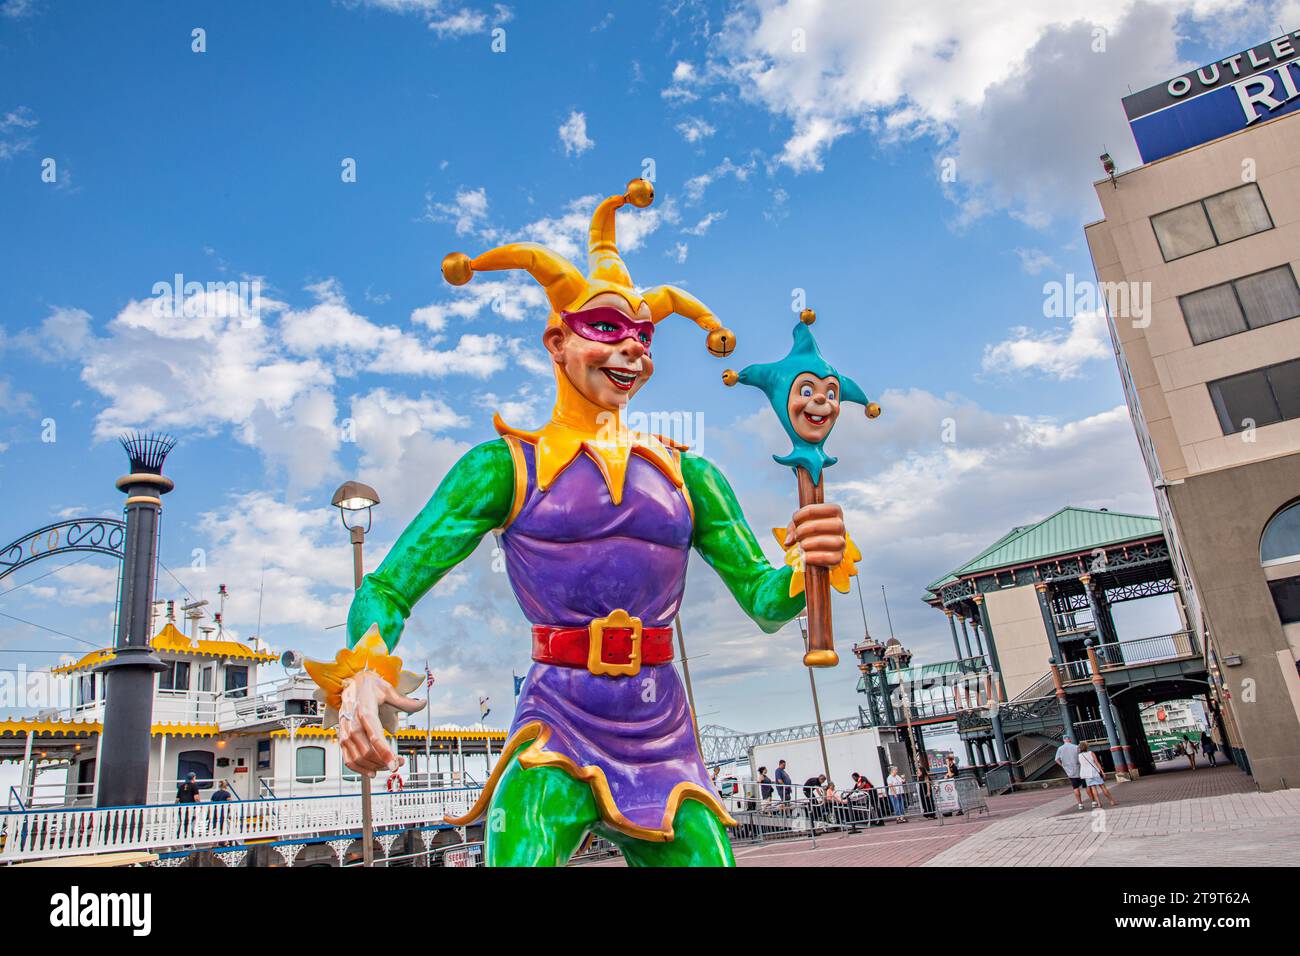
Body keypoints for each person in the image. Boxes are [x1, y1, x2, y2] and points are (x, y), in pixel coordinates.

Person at [327, 179, 861, 868]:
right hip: (557, 723)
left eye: (643, 335)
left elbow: (762, 598)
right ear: (557, 340)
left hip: (663, 728)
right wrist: (365, 668)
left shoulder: (688, 476)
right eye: (607, 328)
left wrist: (811, 564)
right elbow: (390, 587)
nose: (634, 349)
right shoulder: (503, 469)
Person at [1079, 742, 1117, 808]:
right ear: (1086, 747)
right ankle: (1111, 801)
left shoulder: (1079, 756)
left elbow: (1082, 765)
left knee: (1093, 788)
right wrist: (1102, 771)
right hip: (1094, 772)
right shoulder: (1091, 753)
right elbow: (1096, 762)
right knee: (1102, 787)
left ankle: (1099, 803)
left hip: (1087, 774)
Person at [1054, 735, 1086, 810]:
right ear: (1070, 739)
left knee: (1075, 787)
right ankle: (1094, 802)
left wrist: (1062, 765)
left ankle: (1080, 804)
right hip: (1080, 769)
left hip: (1069, 771)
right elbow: (1081, 756)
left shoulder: (1060, 748)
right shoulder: (1076, 747)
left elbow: (1056, 759)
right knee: (1086, 786)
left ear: (1063, 740)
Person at [176, 771, 200, 838]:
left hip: (181, 808)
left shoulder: (181, 786)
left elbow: (177, 799)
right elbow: (196, 798)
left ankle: (179, 835)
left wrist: (175, 807)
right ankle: (189, 836)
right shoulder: (194, 786)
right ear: (193, 778)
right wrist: (200, 805)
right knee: (189, 822)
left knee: (183, 822)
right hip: (190, 808)